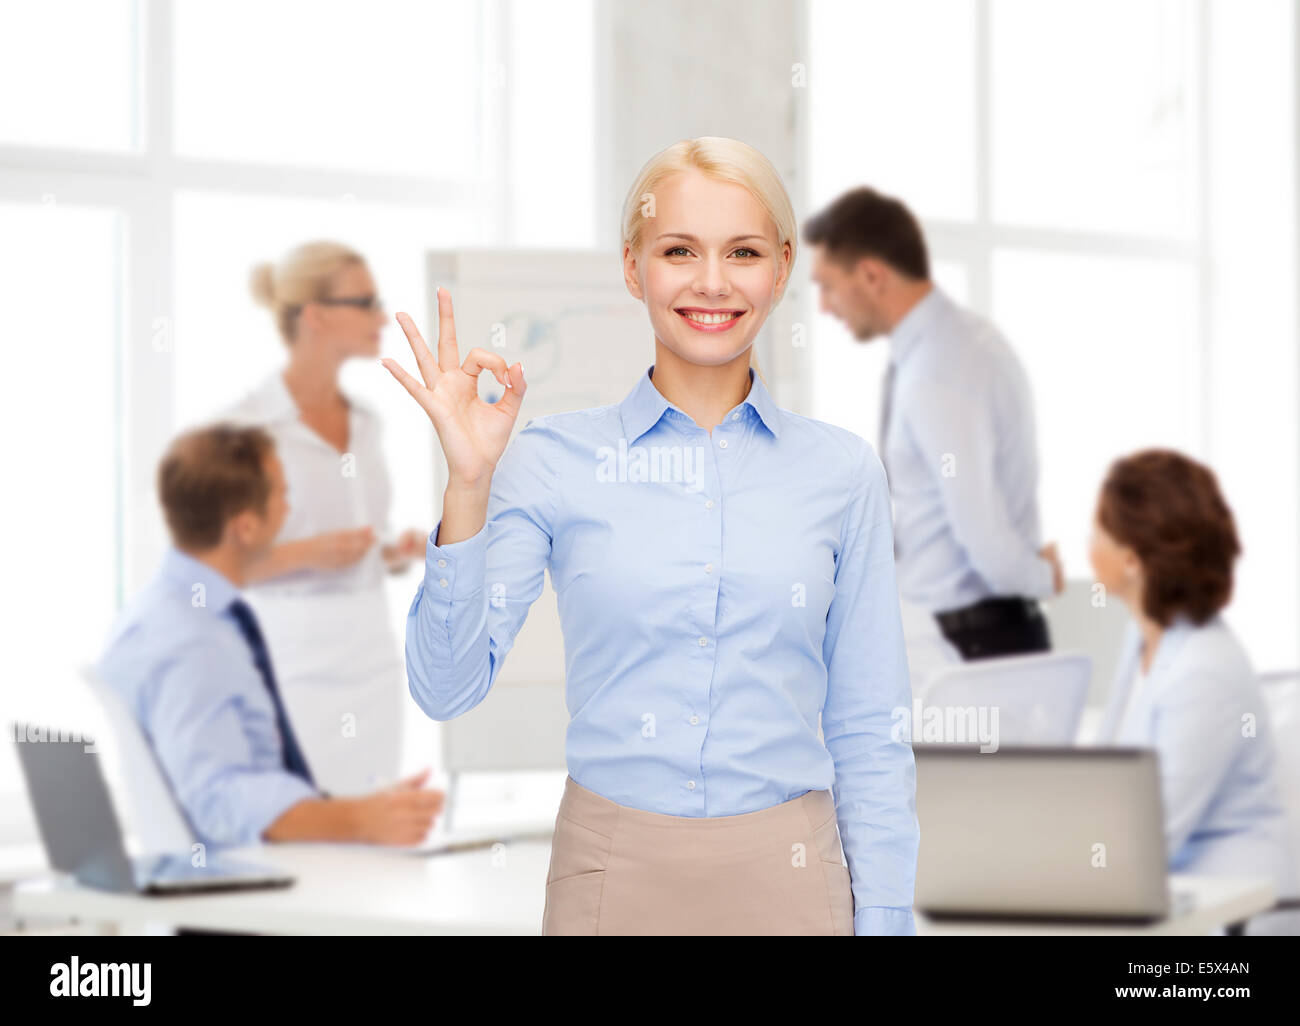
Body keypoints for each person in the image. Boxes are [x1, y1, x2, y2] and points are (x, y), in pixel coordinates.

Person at [383, 137, 918, 936]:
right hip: (609, 877)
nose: (711, 281)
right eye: (678, 251)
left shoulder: (842, 474)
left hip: (796, 879)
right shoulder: (551, 462)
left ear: (781, 266)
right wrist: (467, 486)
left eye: (741, 252)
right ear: (634, 267)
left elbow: (869, 723)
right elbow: (444, 688)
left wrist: (885, 916)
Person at [97, 424, 444, 848]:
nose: (287, 507)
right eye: (281, 493)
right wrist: (356, 819)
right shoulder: (192, 638)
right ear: (244, 527)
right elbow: (218, 798)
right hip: (236, 893)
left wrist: (364, 811)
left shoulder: (172, 612)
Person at [804, 187, 1063, 662]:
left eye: (827, 284)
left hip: (972, 647)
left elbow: (984, 538)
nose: (824, 306)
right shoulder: (956, 346)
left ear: (871, 275)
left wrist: (1043, 578)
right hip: (972, 638)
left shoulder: (940, 371)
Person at [223, 241, 425, 795]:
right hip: (291, 660)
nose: (381, 317)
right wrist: (308, 553)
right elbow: (216, 566)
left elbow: (357, 538)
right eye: (364, 303)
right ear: (313, 316)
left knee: (371, 829)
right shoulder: (246, 428)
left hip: (371, 656)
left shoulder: (367, 423)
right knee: (304, 829)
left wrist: (392, 550)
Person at [1090, 449, 1296, 903]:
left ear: (1131, 560)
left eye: (1099, 532)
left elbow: (1148, 839)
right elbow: (1106, 787)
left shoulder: (1205, 671)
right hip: (1169, 891)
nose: (1089, 546)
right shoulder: (1141, 638)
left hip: (1232, 907)